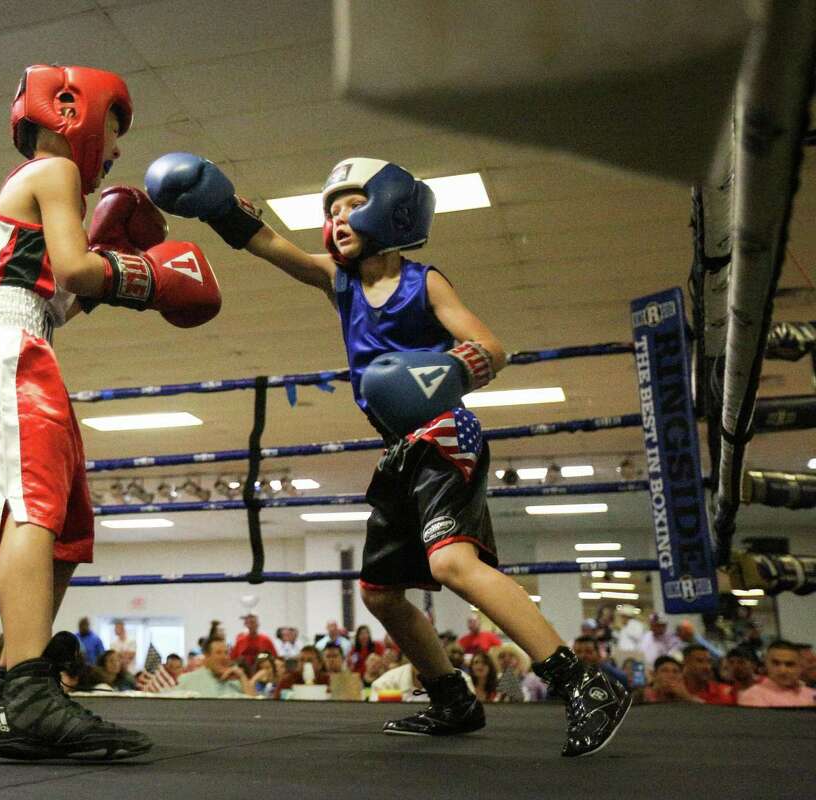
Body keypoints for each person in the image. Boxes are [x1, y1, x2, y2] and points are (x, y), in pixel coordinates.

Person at [144, 152, 630, 756]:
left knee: (453, 565)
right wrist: (221, 208)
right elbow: (271, 245)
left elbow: (491, 347)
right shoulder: (339, 280)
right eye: (331, 212)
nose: (337, 221)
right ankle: (451, 697)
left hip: (446, 432)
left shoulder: (424, 280)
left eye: (351, 207)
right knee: (379, 592)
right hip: (400, 448)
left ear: (391, 210)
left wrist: (439, 373)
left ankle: (583, 682)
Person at [0, 64, 218, 762]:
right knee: (34, 509)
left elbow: (56, 294)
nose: (115, 152)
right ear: (76, 118)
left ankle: (11, 683)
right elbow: (71, 269)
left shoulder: (43, 187)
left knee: (65, 523)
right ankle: (31, 693)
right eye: (114, 134)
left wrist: (103, 271)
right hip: (3, 348)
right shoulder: (54, 172)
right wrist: (147, 273)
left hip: (26, 340)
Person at [737, 641, 816, 708]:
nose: (782, 670)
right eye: (776, 663)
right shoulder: (753, 696)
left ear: (800, 667)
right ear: (766, 664)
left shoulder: (811, 694)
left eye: (790, 664)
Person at [175, 638, 256, 698]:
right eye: (218, 653)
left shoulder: (237, 682)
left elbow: (254, 709)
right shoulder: (188, 680)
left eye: (226, 653)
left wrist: (242, 677)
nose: (225, 657)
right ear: (207, 657)